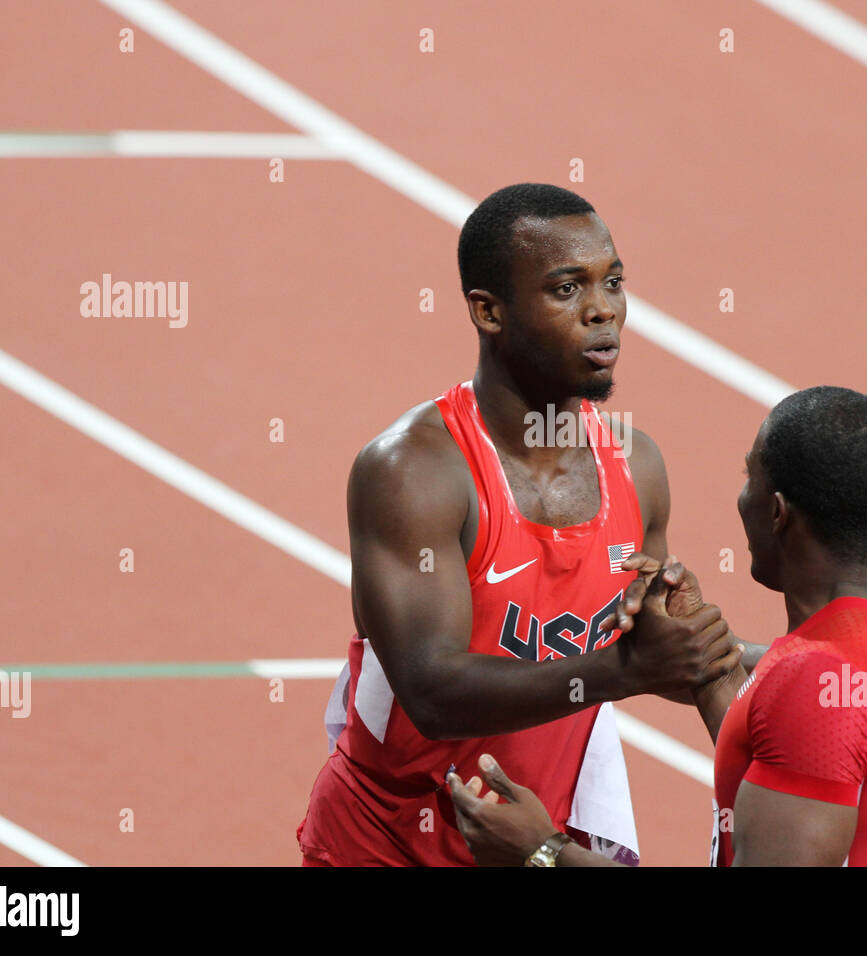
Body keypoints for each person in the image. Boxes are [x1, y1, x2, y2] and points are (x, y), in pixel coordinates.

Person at [297, 183, 743, 866]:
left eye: (613, 282)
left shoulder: (637, 467)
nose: (603, 311)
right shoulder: (415, 472)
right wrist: (624, 669)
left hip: (536, 845)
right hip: (386, 847)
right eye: (568, 289)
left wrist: (820, 667)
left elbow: (667, 657)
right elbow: (432, 692)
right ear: (489, 311)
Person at [448, 386, 867, 866]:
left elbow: (814, 726)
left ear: (777, 512)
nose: (741, 497)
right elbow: (786, 756)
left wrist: (542, 852)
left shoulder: (816, 681)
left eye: (747, 477)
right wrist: (704, 658)